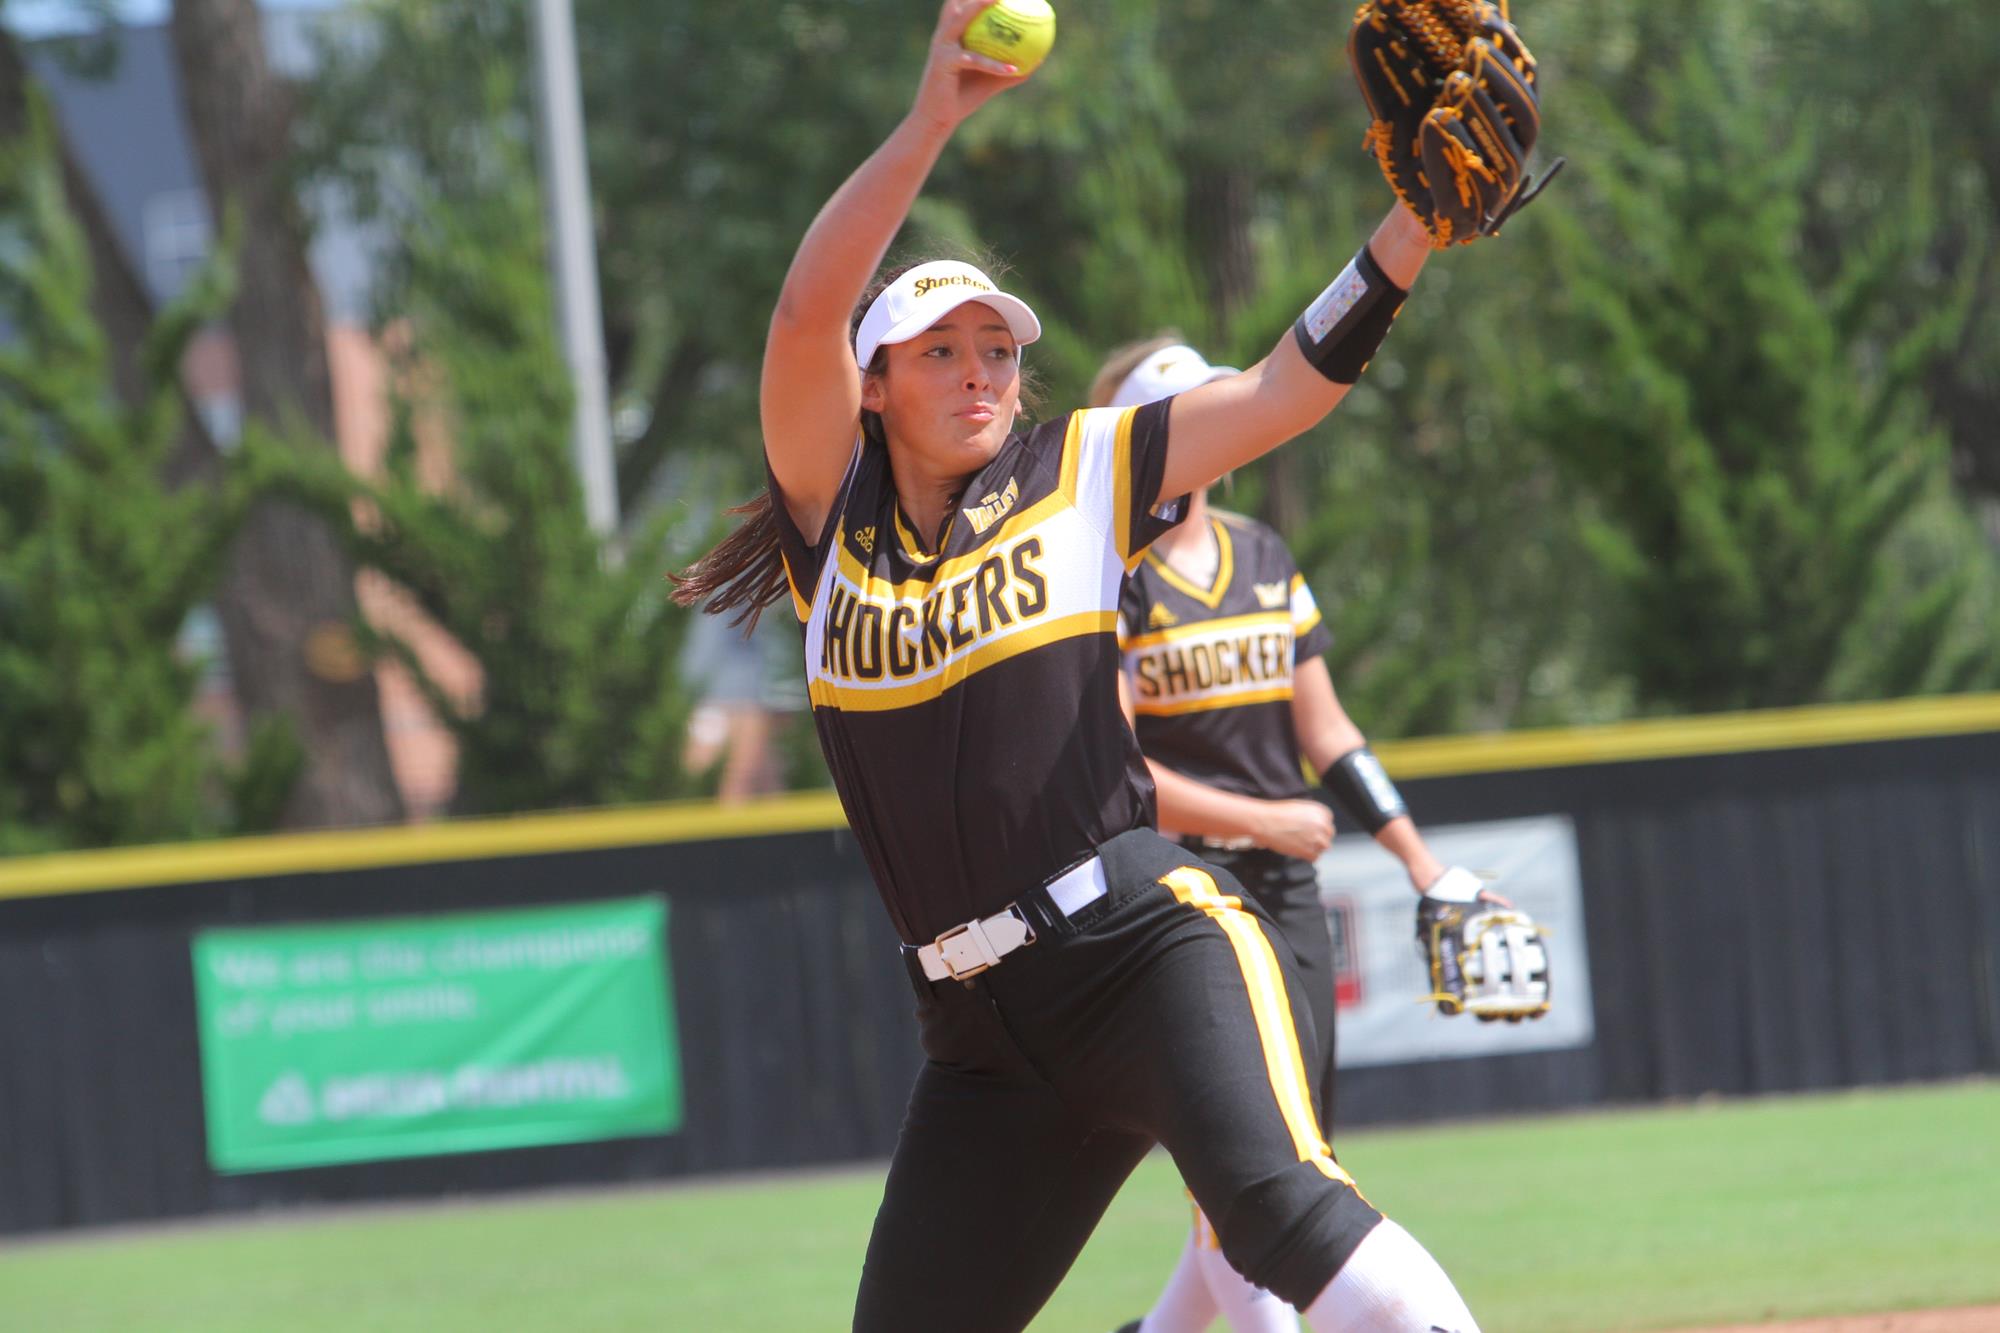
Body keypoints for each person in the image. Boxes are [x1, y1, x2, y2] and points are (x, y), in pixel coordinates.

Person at [672, 4, 1485, 1327]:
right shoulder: (838, 526)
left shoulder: (1081, 473)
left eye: (998, 347)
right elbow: (809, 303)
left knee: (1280, 1213)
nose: (983, 368)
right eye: (941, 347)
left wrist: (1408, 235)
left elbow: (1283, 386)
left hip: (1138, 939)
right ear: (872, 383)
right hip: (980, 1037)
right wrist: (933, 117)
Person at [1095, 341, 1505, 1333]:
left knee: (1293, 1157)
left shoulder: (1262, 555)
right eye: (1191, 411)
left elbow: (1325, 730)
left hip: (1282, 895)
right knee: (1239, 1170)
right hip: (1179, 900)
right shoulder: (1109, 579)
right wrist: (1257, 817)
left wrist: (1422, 861)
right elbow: (1118, 773)